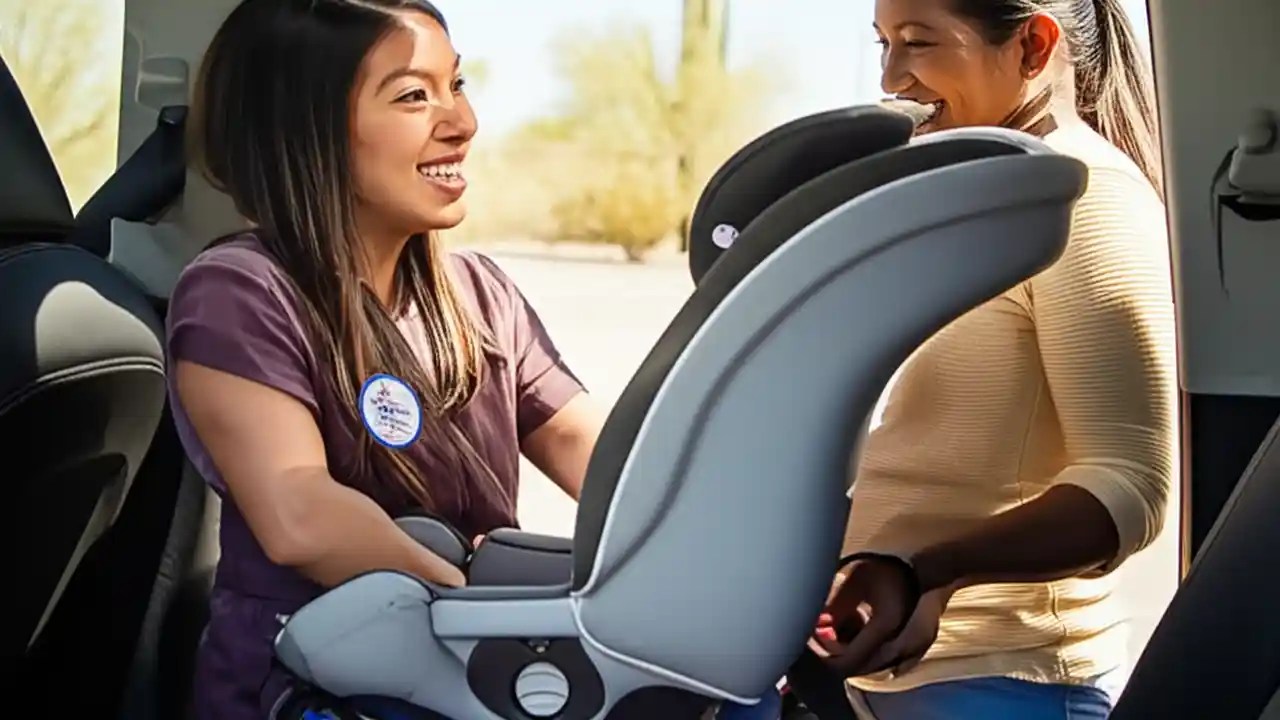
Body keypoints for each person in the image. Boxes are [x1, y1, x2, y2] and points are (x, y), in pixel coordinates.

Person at [167, 2, 606, 718]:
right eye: (412, 96)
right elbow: (299, 513)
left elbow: (595, 448)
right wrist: (481, 604)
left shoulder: (480, 296)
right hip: (310, 685)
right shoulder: (238, 294)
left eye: (456, 85)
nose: (461, 123)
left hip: (463, 672)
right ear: (305, 128)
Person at [801, 1, 1176, 719]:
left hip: (1001, 686)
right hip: (905, 682)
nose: (891, 76)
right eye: (882, 43)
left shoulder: (1085, 200)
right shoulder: (988, 207)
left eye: (917, 43)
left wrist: (926, 574)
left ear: (1033, 45)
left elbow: (1130, 485)